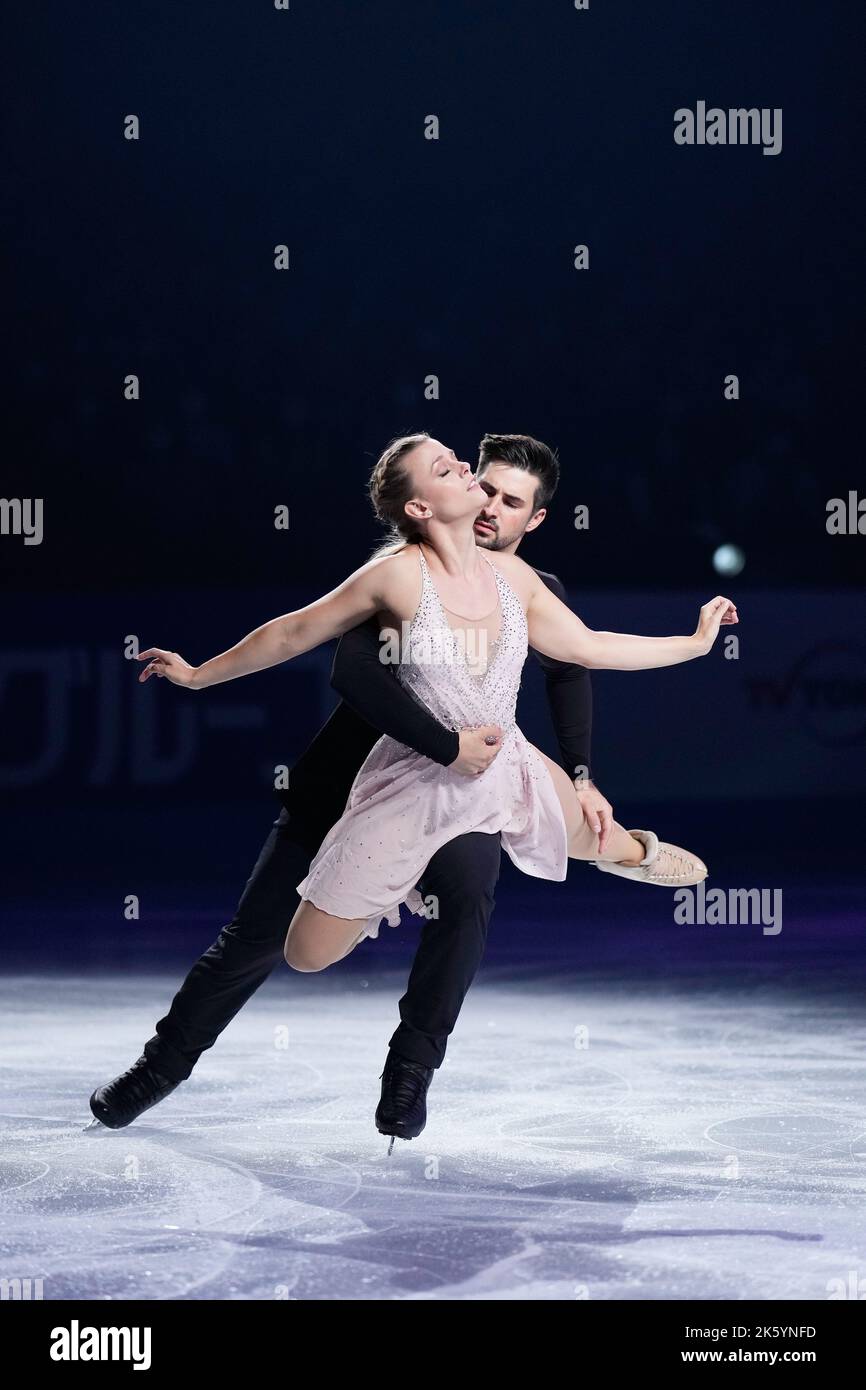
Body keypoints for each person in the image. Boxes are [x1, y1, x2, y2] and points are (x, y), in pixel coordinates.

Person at [89, 433, 615, 1144]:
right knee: (254, 939)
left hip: (453, 796)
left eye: (509, 500)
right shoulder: (406, 572)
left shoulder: (533, 593)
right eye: (482, 487)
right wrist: (198, 674)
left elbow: (571, 669)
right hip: (348, 779)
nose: (489, 505)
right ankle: (159, 1069)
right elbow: (352, 670)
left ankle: (411, 1068)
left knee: (470, 888)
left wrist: (579, 776)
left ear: (535, 520)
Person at [131, 433, 737, 986]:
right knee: (305, 953)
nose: (470, 475)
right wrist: (197, 675)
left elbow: (589, 648)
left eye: (459, 464)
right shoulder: (393, 579)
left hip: (504, 763)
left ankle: (639, 854)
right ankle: (398, 883)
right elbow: (292, 634)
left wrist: (694, 642)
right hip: (418, 777)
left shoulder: (517, 577)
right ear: (421, 508)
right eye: (450, 470)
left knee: (589, 837)